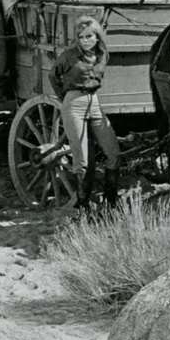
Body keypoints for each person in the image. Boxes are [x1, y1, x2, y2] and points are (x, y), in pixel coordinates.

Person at [49, 16, 121, 210]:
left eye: (89, 36)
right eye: (81, 37)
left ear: (97, 37)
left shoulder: (102, 55)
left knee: (113, 152)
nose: (85, 40)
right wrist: (66, 97)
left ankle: (110, 203)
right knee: (82, 161)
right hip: (74, 105)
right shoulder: (68, 56)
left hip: (94, 103)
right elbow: (53, 76)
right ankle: (83, 208)